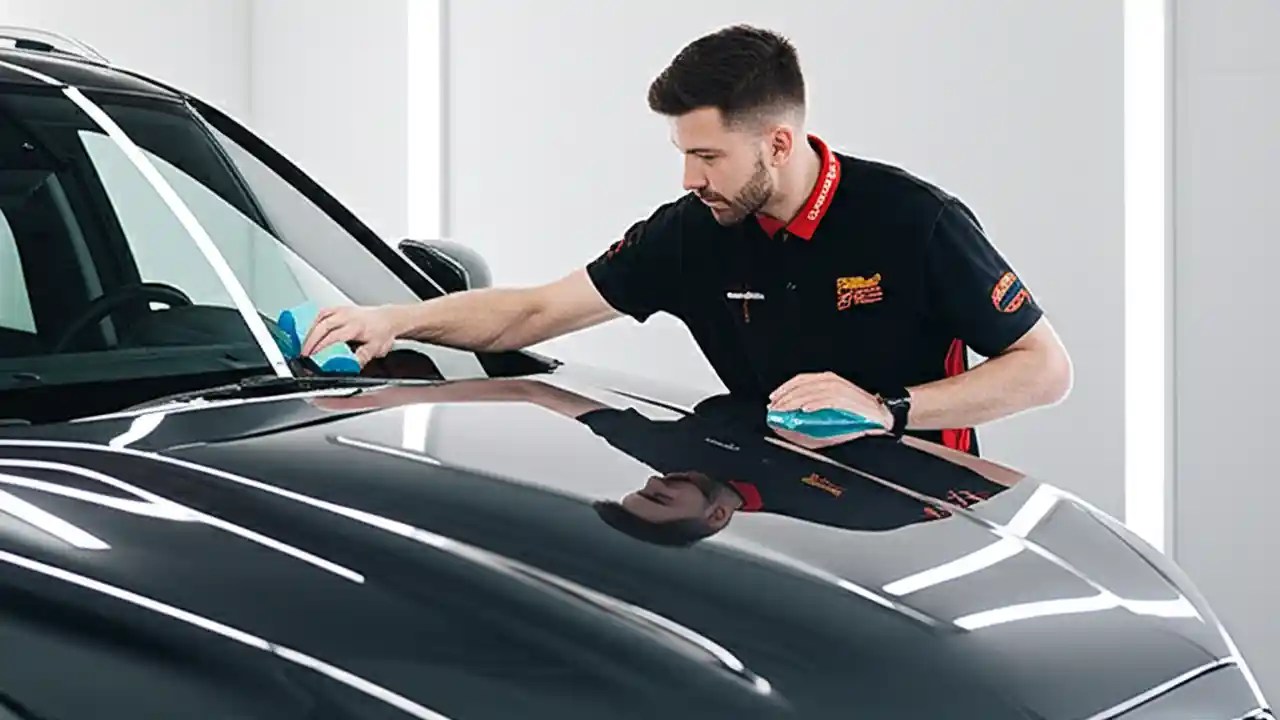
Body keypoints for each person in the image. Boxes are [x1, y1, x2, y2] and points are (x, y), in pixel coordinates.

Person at [301, 24, 1072, 457]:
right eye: (683, 155)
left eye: (706, 157)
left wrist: (885, 409)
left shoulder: (914, 220)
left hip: (918, 506)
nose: (688, 179)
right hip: (765, 515)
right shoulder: (692, 234)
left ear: (776, 142)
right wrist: (394, 320)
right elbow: (531, 314)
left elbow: (1045, 370)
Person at [309, 378, 1020, 547]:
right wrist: (368, 397)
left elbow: (539, 393)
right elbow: (531, 390)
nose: (653, 480)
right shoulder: (832, 512)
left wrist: (357, 398)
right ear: (714, 518)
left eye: (643, 491)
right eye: (659, 498)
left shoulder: (662, 452)